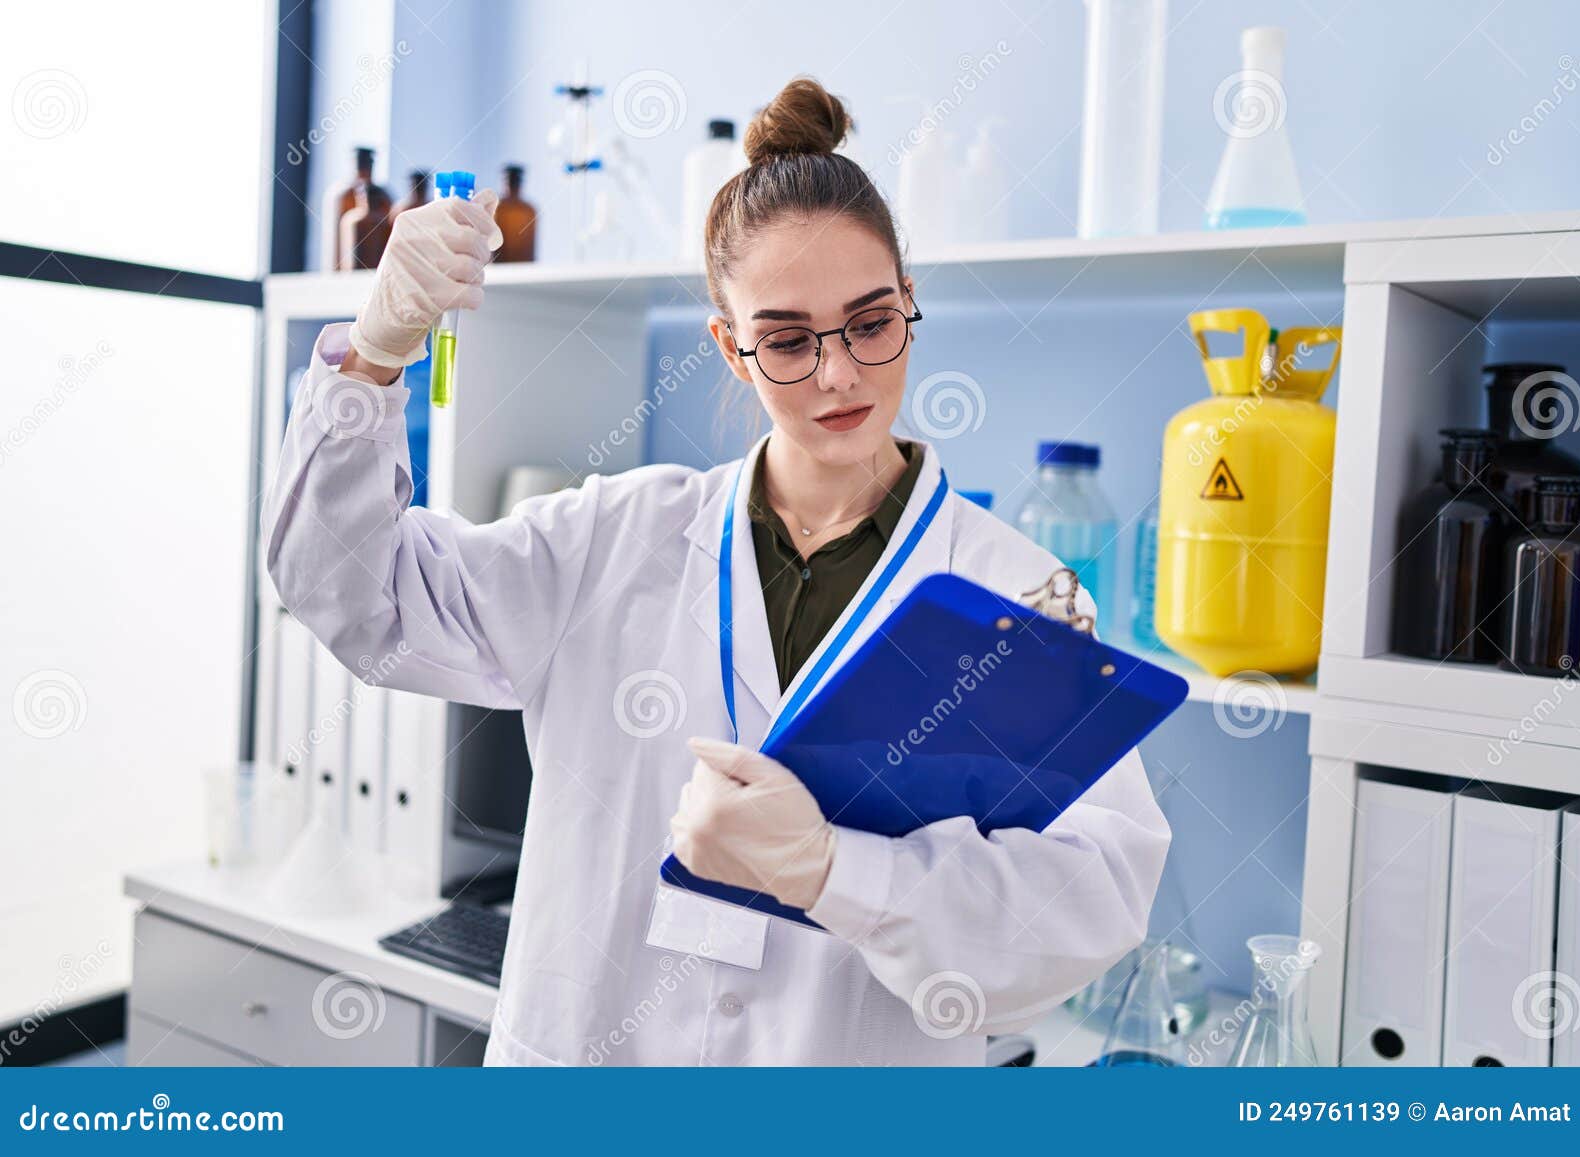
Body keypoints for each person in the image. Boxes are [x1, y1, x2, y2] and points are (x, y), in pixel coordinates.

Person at [264, 77, 1170, 1066]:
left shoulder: (1021, 594)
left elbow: (1091, 897)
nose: (838, 374)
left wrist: (840, 871)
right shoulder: (611, 537)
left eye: (871, 322)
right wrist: (375, 360)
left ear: (910, 306)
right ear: (730, 350)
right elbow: (352, 592)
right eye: (784, 340)